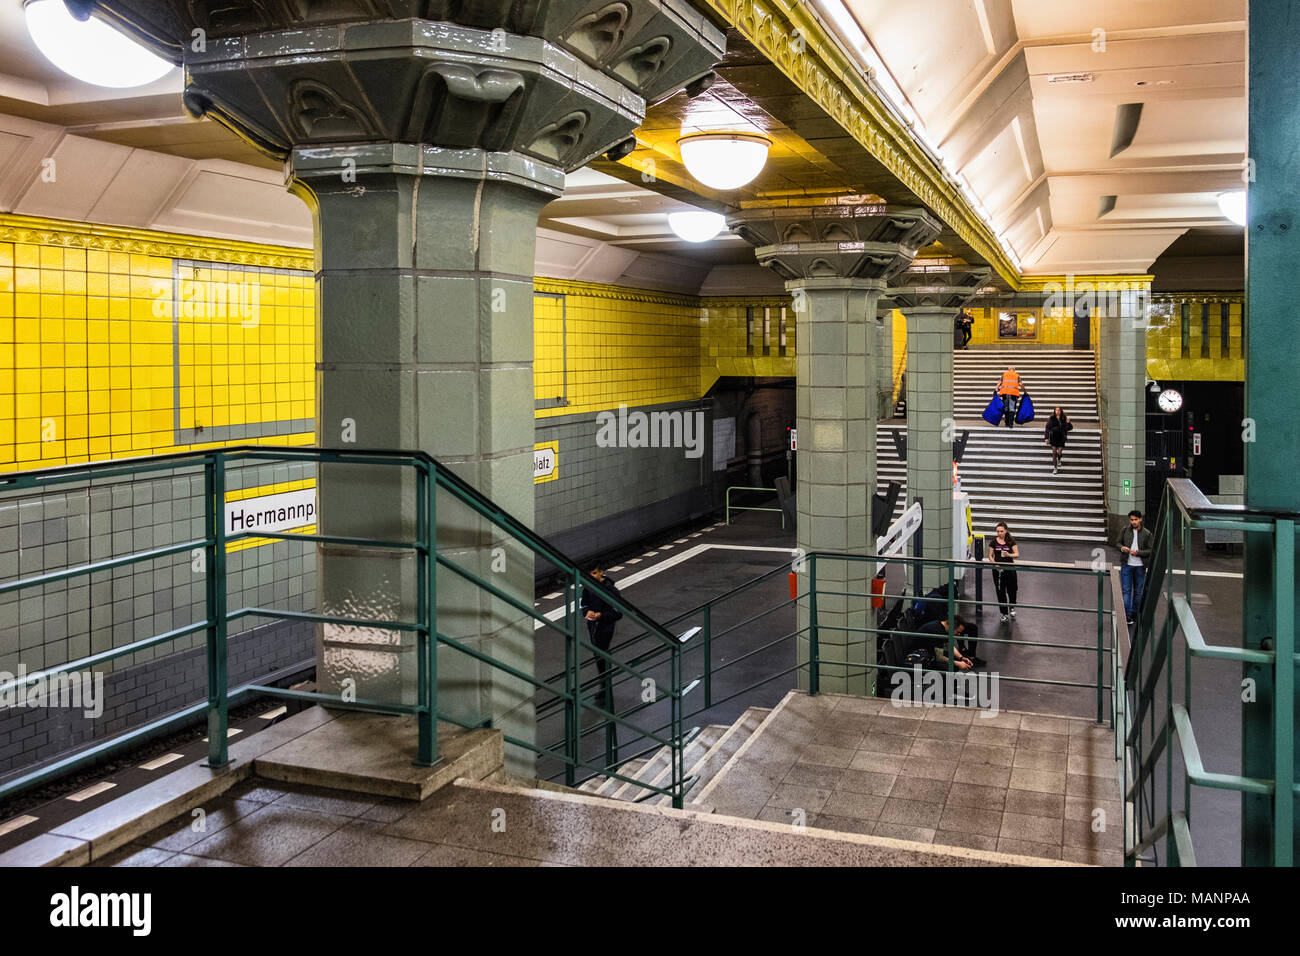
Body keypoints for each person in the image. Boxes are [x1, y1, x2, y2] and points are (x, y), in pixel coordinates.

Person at [579, 567, 623, 706]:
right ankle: (604, 686)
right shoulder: (588, 588)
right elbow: (584, 604)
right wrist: (587, 612)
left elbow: (618, 612)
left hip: (605, 628)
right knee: (598, 657)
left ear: (601, 572)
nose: (591, 576)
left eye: (594, 573)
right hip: (593, 627)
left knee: (602, 656)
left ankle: (605, 688)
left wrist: (600, 615)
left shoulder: (611, 590)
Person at [1113, 510, 1153, 625]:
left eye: (1136, 519)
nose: (1133, 522)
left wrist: (1138, 552)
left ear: (1140, 519)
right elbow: (1117, 543)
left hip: (1140, 566)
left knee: (1137, 592)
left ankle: (1134, 614)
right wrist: (1122, 548)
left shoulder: (1147, 533)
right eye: (1131, 519)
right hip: (1127, 565)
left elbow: (1151, 550)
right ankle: (1128, 615)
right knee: (1127, 591)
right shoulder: (1125, 530)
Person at [986, 521, 1020, 622]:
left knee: (1012, 589)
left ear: (1005, 531)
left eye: (1001, 531)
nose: (999, 533)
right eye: (997, 531)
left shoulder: (1011, 541)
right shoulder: (993, 542)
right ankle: (1004, 613)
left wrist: (1009, 555)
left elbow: (1017, 554)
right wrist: (994, 565)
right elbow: (990, 556)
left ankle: (1012, 606)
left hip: (1010, 569)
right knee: (1000, 591)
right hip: (998, 571)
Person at [1043, 406, 1073, 475]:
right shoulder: (1051, 418)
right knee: (1054, 453)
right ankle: (1055, 468)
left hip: (1061, 438)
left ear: (1061, 411)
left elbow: (1069, 428)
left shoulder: (1064, 418)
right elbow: (1047, 428)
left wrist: (1068, 423)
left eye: (1059, 410)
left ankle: (1059, 459)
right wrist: (1046, 438)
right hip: (1053, 437)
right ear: (1054, 411)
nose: (1057, 411)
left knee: (1059, 452)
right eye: (1056, 410)